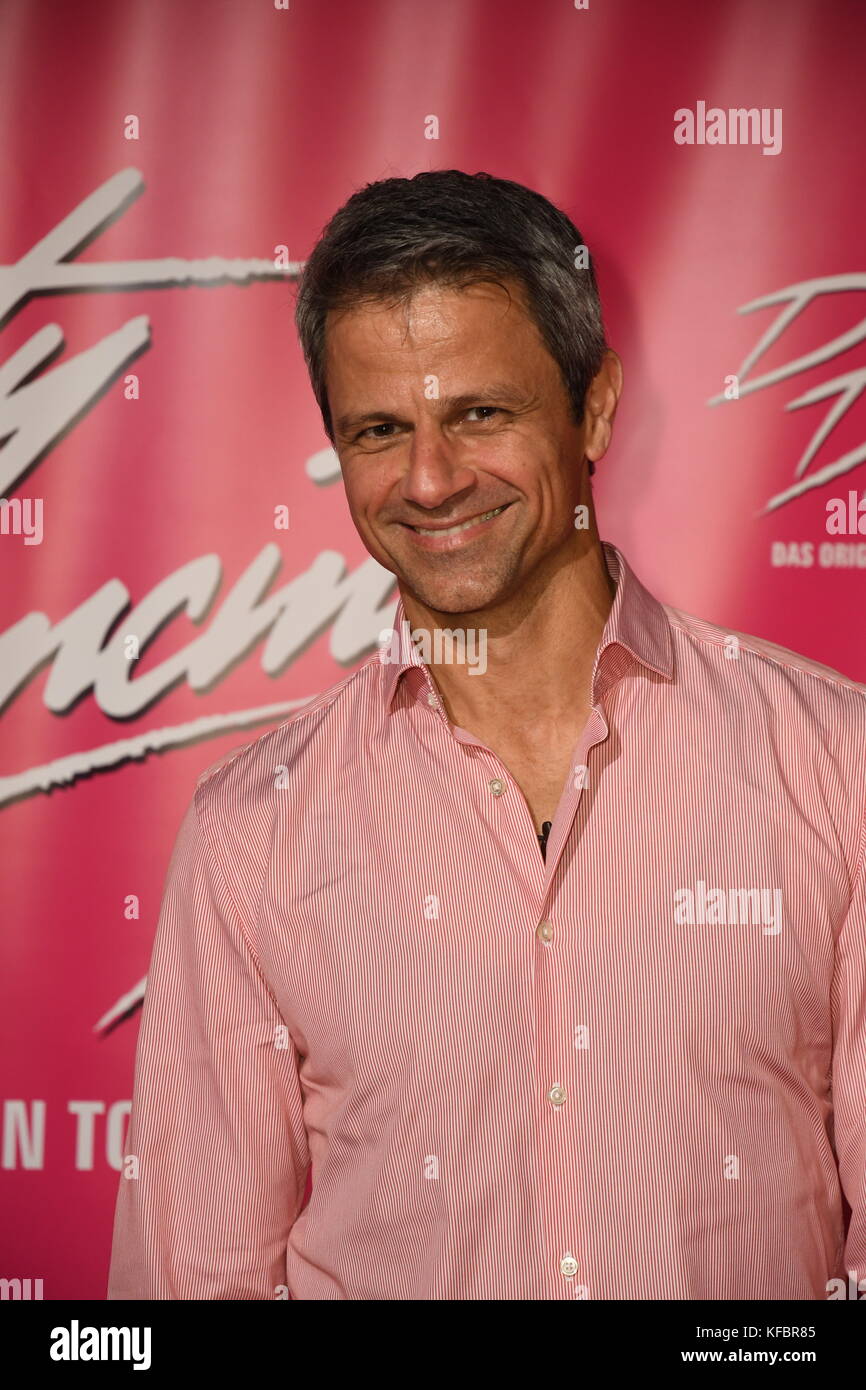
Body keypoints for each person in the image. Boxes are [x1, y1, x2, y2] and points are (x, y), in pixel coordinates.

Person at [108, 169, 866, 1300]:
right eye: (378, 429)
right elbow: (188, 1281)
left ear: (594, 406)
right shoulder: (249, 837)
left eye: (478, 412)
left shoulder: (832, 766)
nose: (428, 479)